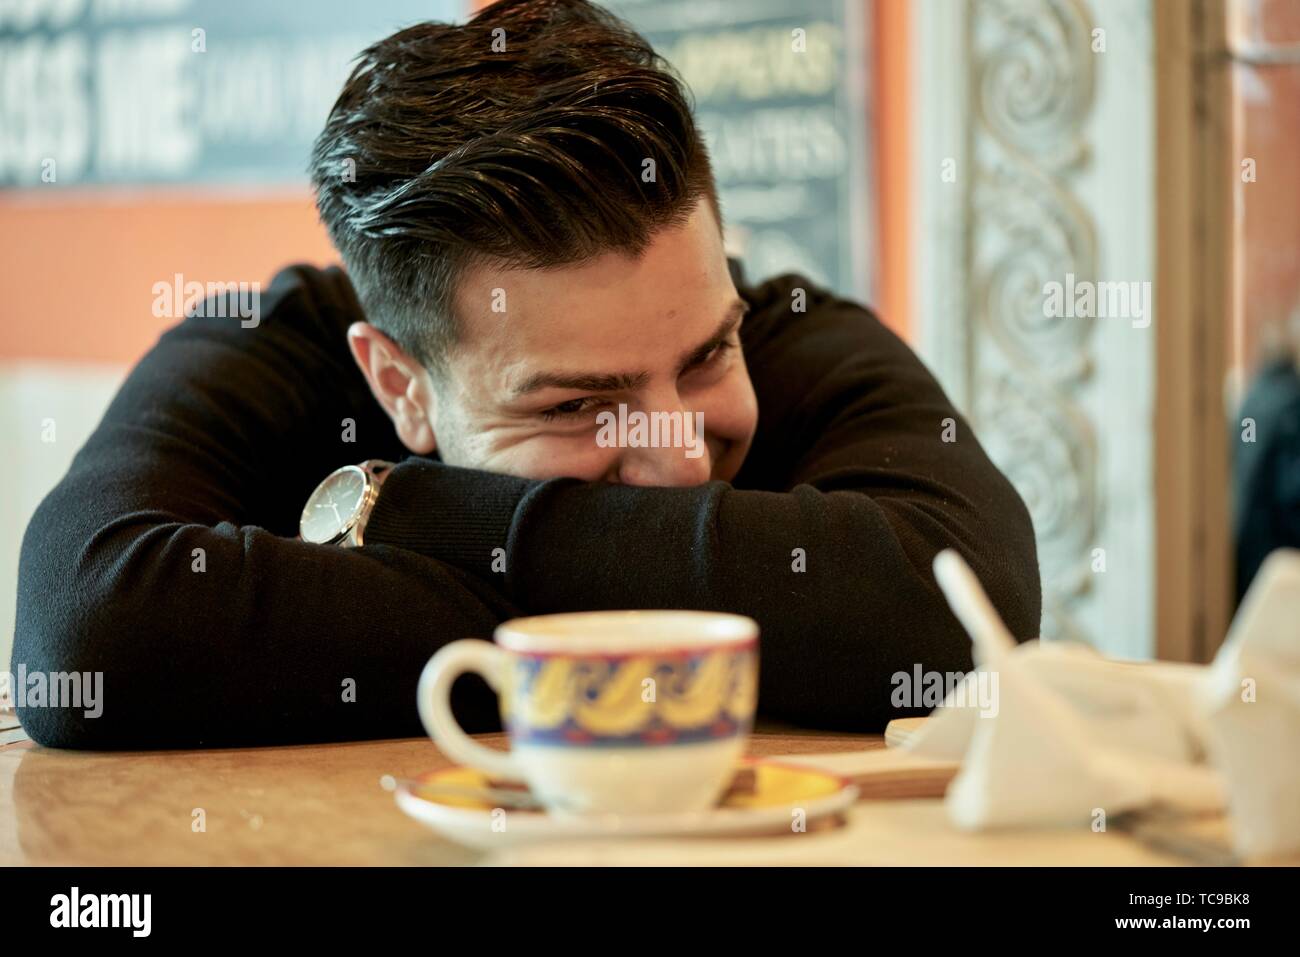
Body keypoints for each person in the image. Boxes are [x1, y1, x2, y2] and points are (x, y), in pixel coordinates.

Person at [13, 0, 1040, 749]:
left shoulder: (783, 322)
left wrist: (420, 519)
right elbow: (87, 644)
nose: (680, 456)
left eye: (704, 358)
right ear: (400, 388)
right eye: (582, 403)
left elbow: (961, 614)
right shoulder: (268, 344)